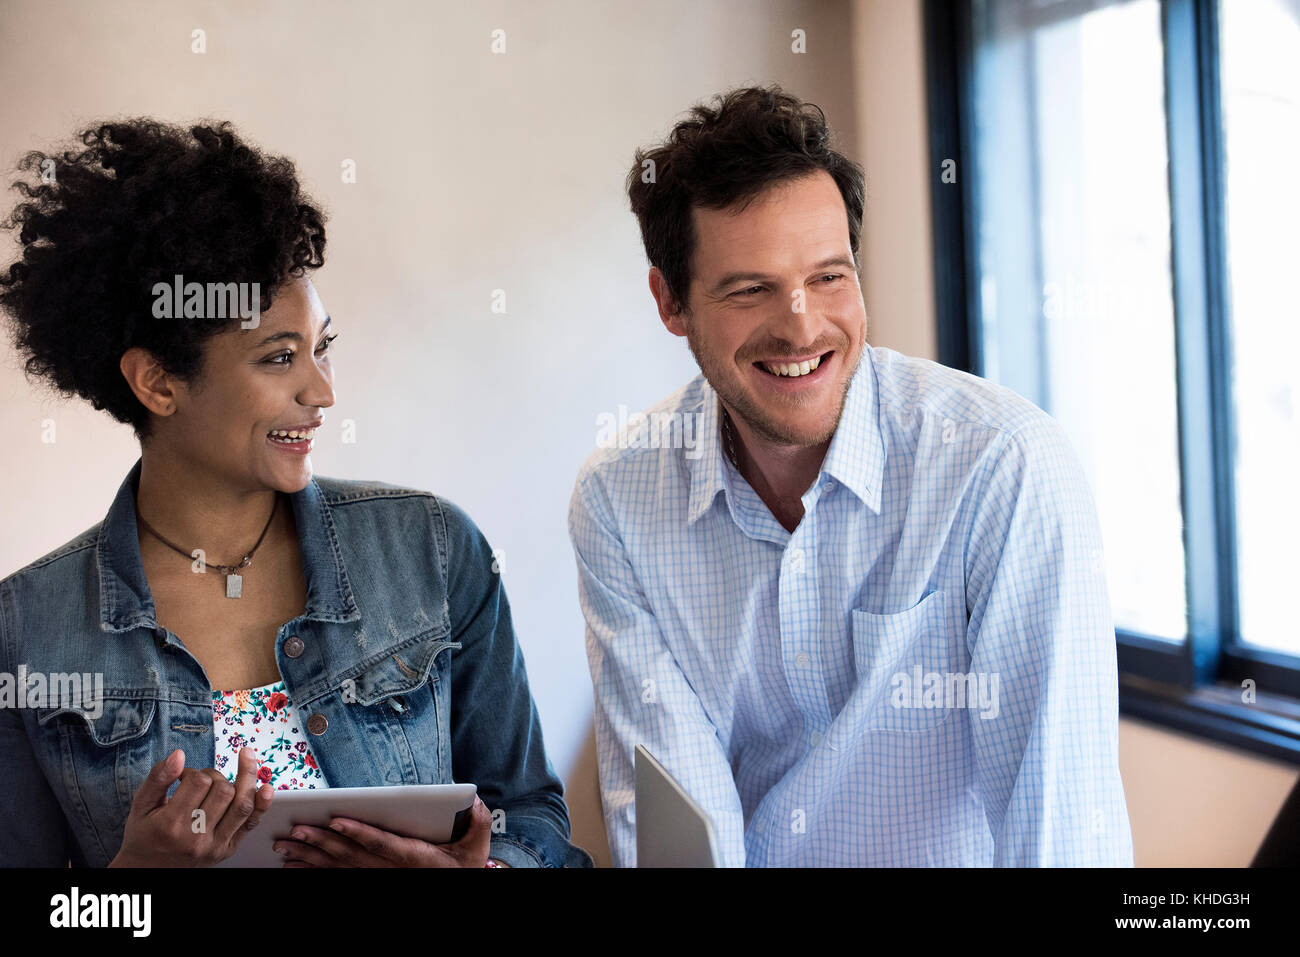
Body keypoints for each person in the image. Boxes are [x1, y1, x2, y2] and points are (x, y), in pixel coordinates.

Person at [0, 118, 591, 868]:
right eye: (280, 357)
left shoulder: (434, 551)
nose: (324, 391)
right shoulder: (25, 632)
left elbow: (532, 815)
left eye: (323, 347)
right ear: (157, 381)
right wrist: (132, 882)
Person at [568, 86, 1134, 867]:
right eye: (750, 288)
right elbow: (678, 828)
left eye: (829, 277)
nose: (802, 324)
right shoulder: (618, 500)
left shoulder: (1003, 467)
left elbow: (1060, 831)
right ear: (672, 302)